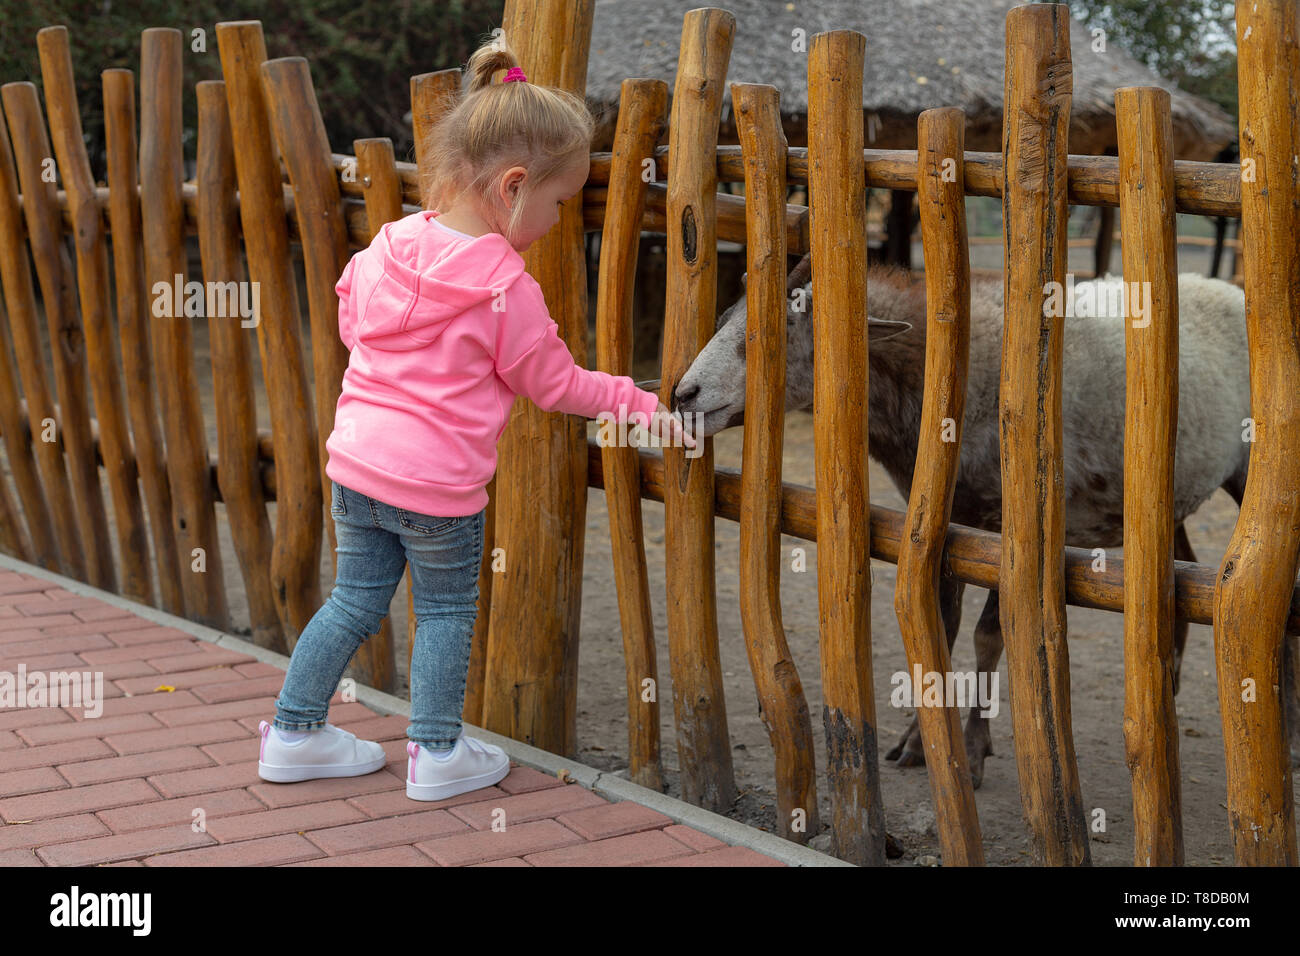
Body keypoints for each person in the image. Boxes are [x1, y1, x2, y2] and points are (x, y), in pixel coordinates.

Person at [257, 34, 693, 801]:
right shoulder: (505, 287)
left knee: (353, 600)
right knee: (449, 609)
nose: (561, 220)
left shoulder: (387, 246)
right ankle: (435, 754)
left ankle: (293, 734)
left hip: (356, 466)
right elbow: (554, 384)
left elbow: (350, 316)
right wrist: (641, 405)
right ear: (513, 186)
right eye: (560, 203)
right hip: (437, 490)